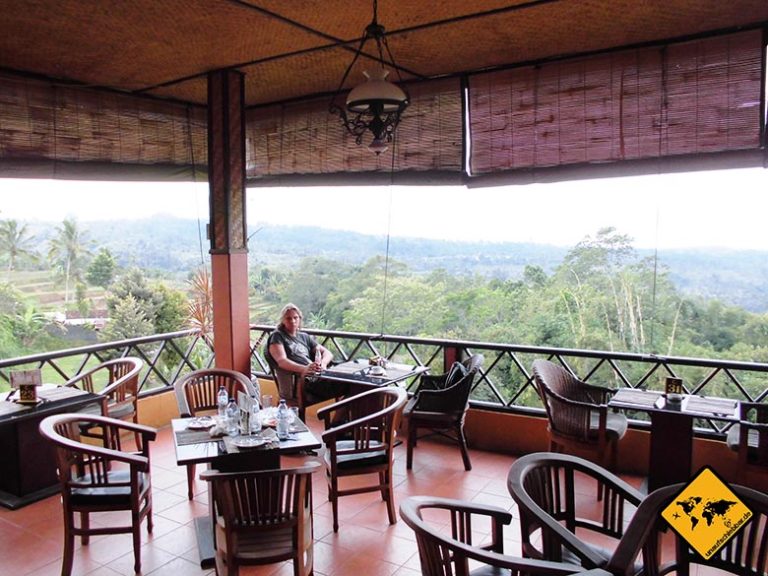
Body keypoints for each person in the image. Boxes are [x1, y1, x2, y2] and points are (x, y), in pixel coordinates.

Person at [266, 303, 347, 402]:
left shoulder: (304, 337)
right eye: (288, 318)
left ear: (300, 319)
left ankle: (339, 417)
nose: (293, 321)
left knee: (353, 384)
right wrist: (305, 369)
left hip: (317, 375)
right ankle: (341, 416)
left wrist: (323, 364)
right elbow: (281, 361)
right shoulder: (278, 336)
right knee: (352, 387)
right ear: (283, 320)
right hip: (304, 381)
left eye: (295, 318)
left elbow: (327, 353)